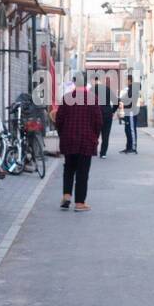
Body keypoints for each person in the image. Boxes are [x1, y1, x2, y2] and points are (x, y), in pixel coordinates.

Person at [53, 72, 101, 211]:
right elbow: (98, 121)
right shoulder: (93, 99)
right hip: (87, 140)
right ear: (86, 83)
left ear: (74, 82)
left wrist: (63, 135)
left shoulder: (67, 98)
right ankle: (79, 203)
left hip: (69, 139)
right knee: (82, 172)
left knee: (68, 168)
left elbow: (59, 119)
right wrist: (95, 137)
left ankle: (67, 195)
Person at [95, 71, 116, 158]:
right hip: (107, 113)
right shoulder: (107, 89)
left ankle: (93, 150)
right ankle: (103, 153)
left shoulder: (92, 89)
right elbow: (116, 101)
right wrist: (112, 111)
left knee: (94, 133)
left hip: (96, 113)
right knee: (106, 134)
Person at [119, 74, 140, 154]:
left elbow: (131, 101)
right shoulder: (129, 89)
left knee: (131, 129)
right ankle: (128, 147)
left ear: (129, 80)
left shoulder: (133, 89)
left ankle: (133, 148)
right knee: (127, 130)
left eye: (126, 80)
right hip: (127, 111)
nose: (125, 82)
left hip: (131, 112)